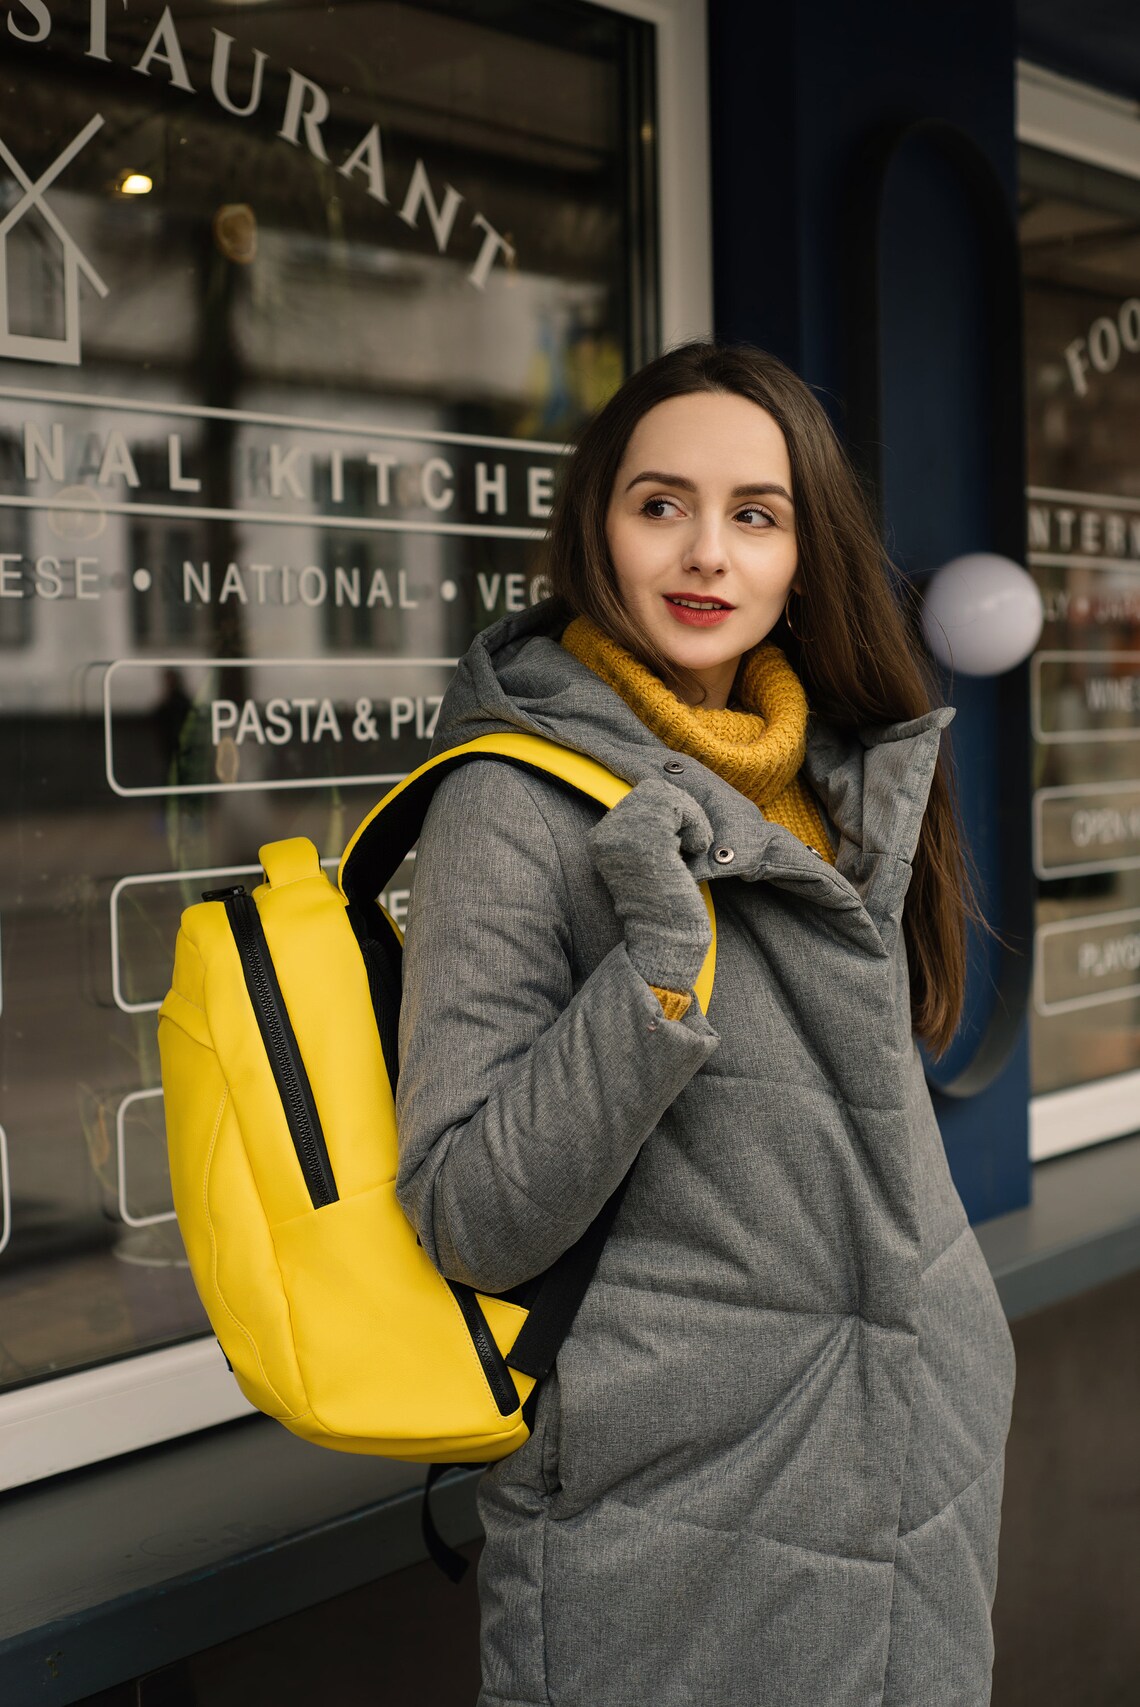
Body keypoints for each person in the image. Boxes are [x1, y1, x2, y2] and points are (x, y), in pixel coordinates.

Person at [395, 342, 1016, 1707]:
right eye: (659, 503)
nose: (705, 554)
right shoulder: (514, 797)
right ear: (597, 528)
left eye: (755, 514)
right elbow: (466, 1213)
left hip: (913, 1467)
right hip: (678, 1510)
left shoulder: (845, 777)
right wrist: (660, 965)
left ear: (806, 556)